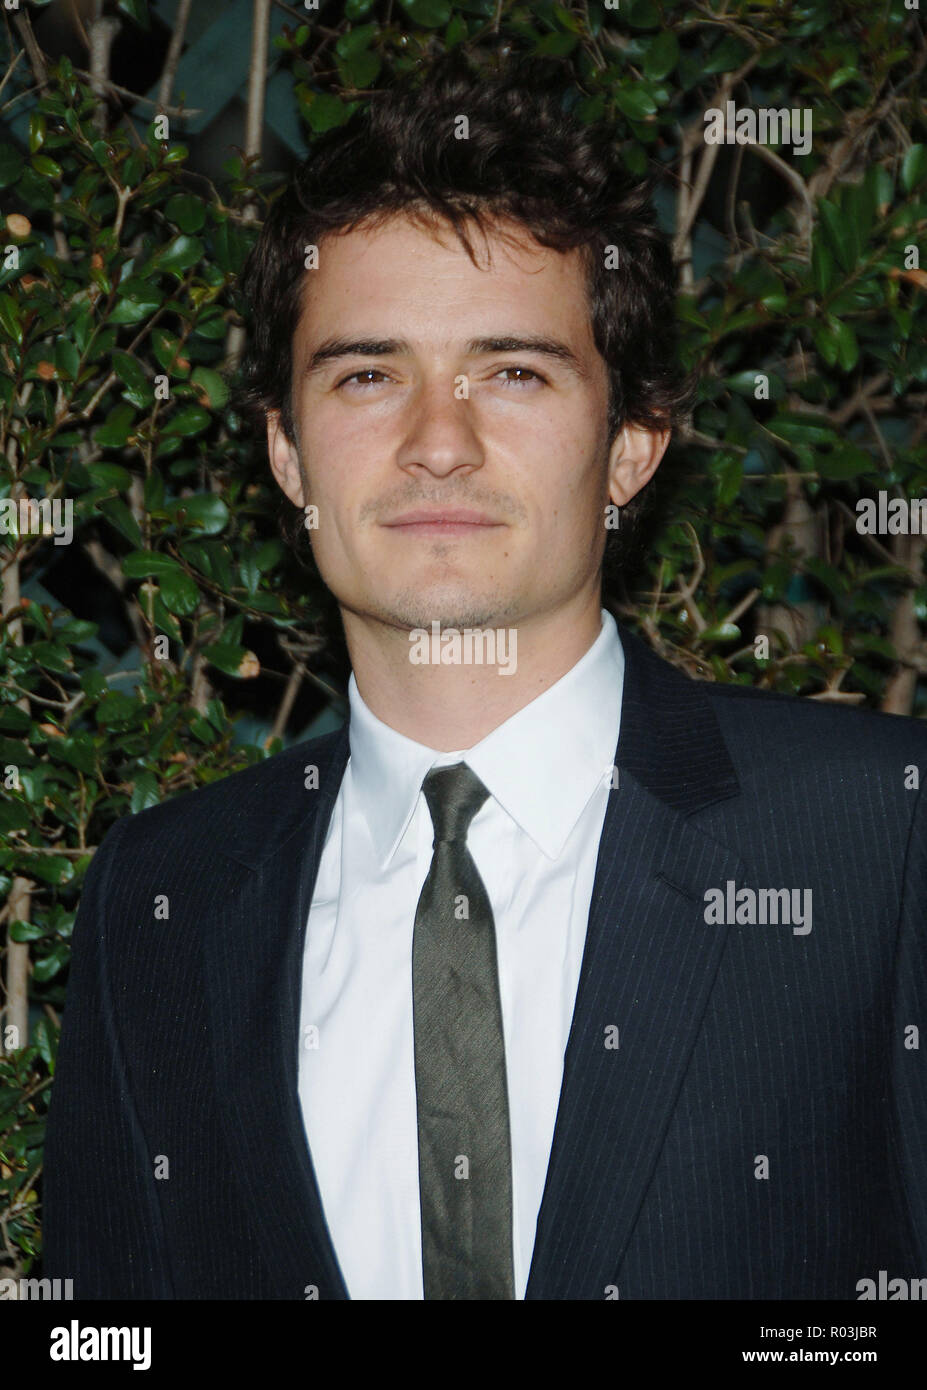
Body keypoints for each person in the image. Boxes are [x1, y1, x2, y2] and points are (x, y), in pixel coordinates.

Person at [43, 49, 927, 1301]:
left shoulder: (881, 839)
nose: (438, 442)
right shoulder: (162, 900)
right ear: (288, 455)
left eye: (512, 371)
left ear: (631, 447)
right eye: (367, 374)